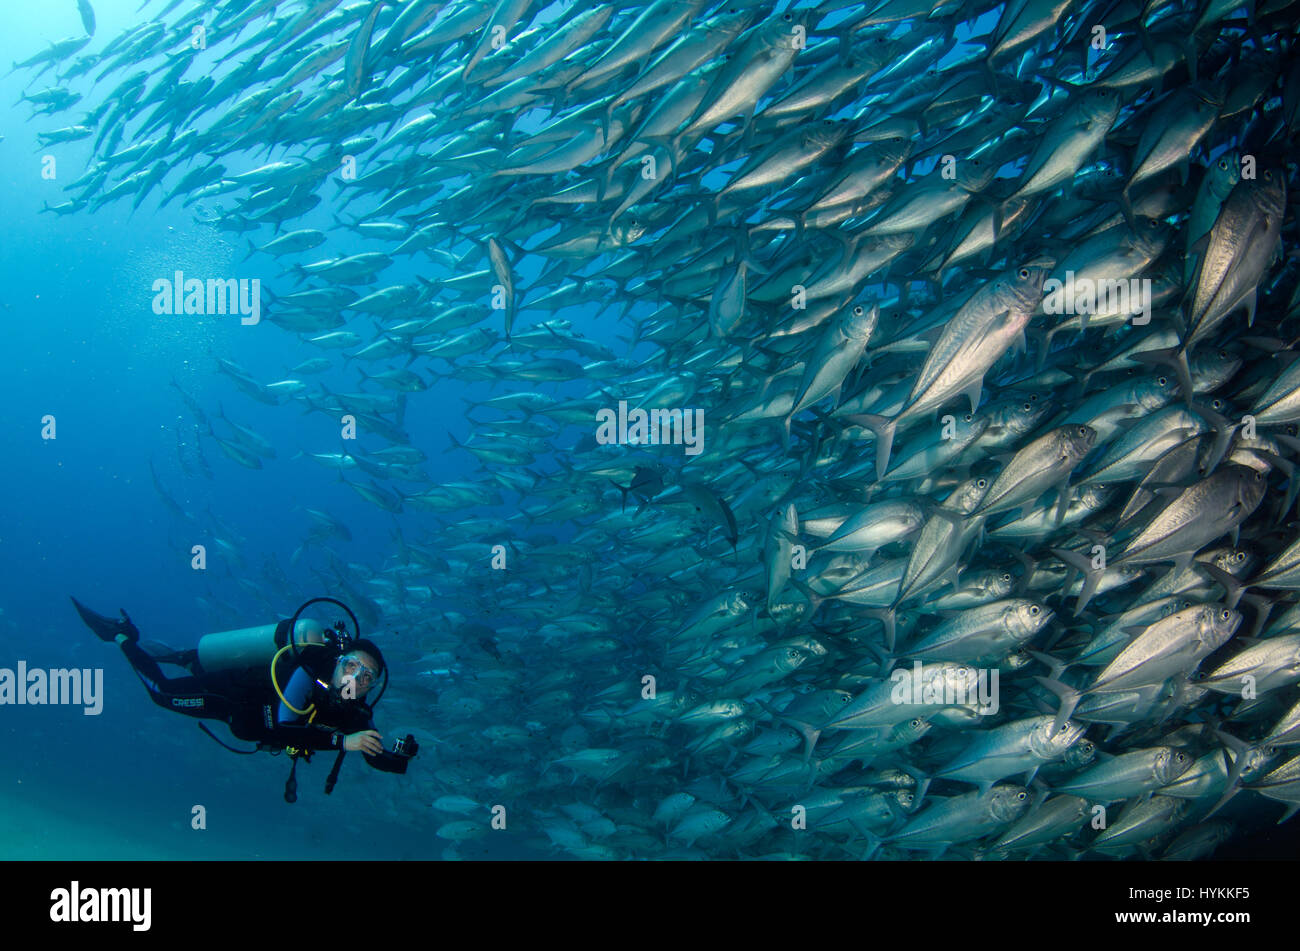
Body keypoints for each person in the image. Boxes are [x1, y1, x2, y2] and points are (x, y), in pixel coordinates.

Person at [70, 596, 417, 797]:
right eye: (351, 665)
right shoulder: (308, 671)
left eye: (365, 675)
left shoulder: (357, 713)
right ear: (339, 661)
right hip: (235, 698)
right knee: (161, 692)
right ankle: (120, 636)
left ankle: (185, 657)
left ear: (371, 686)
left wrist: (398, 760)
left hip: (246, 725)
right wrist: (345, 743)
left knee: (190, 665)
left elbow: (372, 753)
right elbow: (284, 727)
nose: (354, 677)